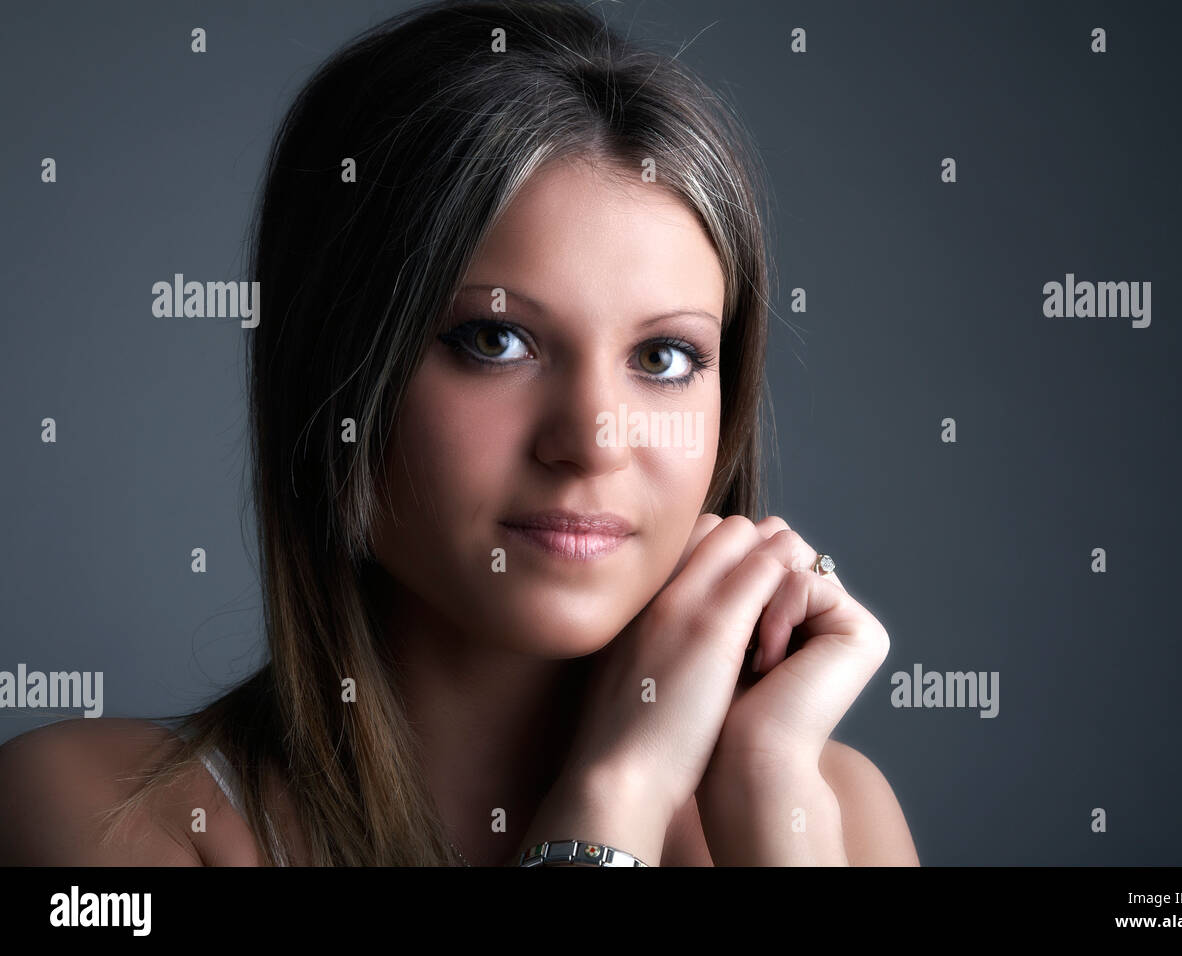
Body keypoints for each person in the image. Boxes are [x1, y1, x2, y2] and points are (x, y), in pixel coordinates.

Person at [0, 0, 918, 867]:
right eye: (495, 339)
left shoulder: (828, 809)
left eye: (666, 357)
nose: (593, 441)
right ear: (340, 368)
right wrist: (611, 800)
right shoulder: (97, 815)